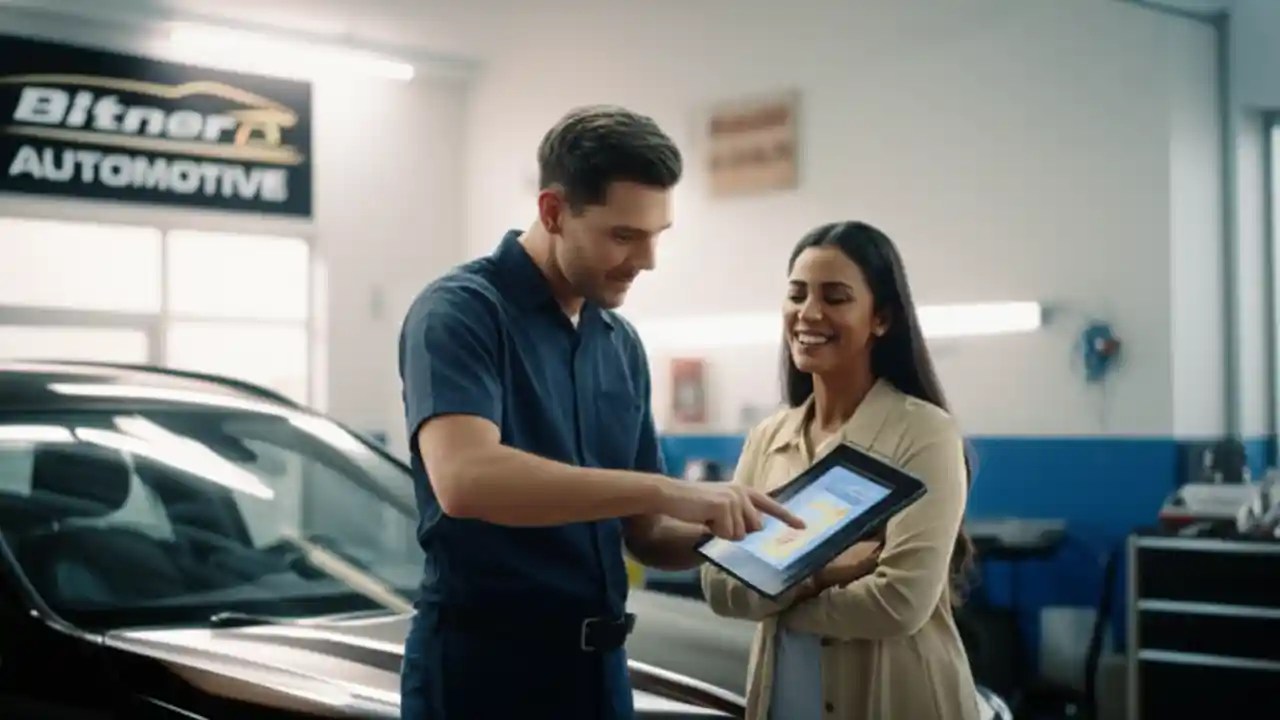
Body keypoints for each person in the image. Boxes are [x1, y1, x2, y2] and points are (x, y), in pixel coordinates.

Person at [397, 105, 803, 720]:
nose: (647, 260)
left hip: (600, 675)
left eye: (657, 235)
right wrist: (668, 490)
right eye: (623, 235)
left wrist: (737, 528)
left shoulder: (620, 343)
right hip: (485, 678)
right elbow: (466, 480)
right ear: (553, 212)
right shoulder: (460, 313)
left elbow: (647, 533)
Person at [700, 221, 981, 720]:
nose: (809, 313)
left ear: (881, 318)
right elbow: (719, 586)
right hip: (785, 694)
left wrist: (773, 593)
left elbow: (900, 601)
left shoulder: (923, 434)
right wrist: (825, 575)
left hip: (899, 697)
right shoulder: (768, 438)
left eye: (835, 297)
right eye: (796, 294)